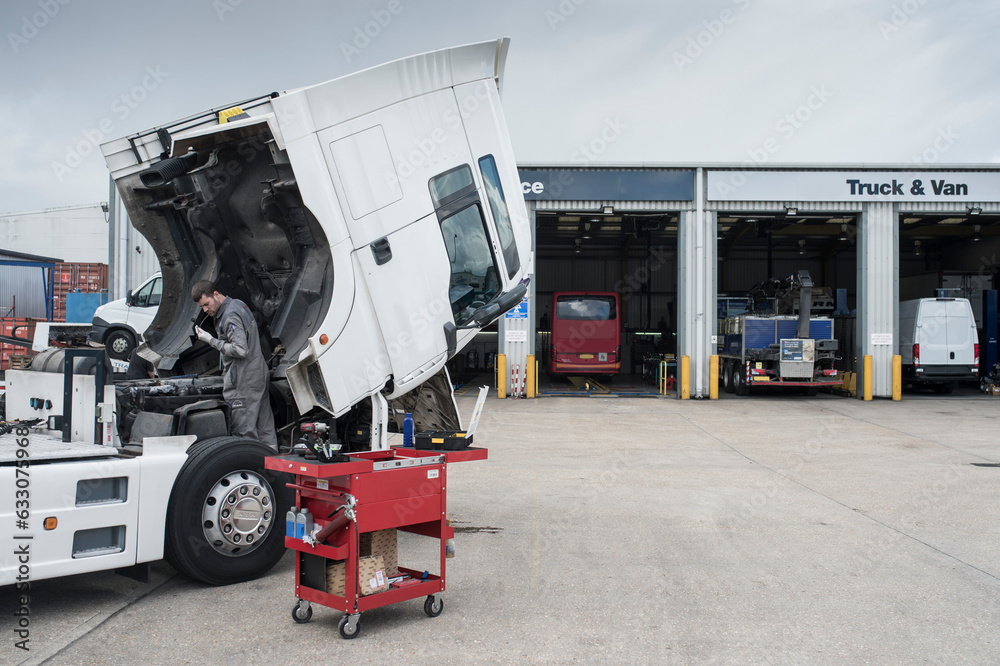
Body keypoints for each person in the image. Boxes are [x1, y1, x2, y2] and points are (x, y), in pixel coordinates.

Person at [190, 280, 277, 450]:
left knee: (244, 433)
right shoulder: (238, 304)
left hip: (244, 380)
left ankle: (250, 468)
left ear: (216, 294)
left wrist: (211, 341)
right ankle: (273, 467)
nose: (205, 310)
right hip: (257, 373)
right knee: (265, 427)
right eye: (202, 307)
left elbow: (240, 350)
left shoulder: (229, 315)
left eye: (206, 304)